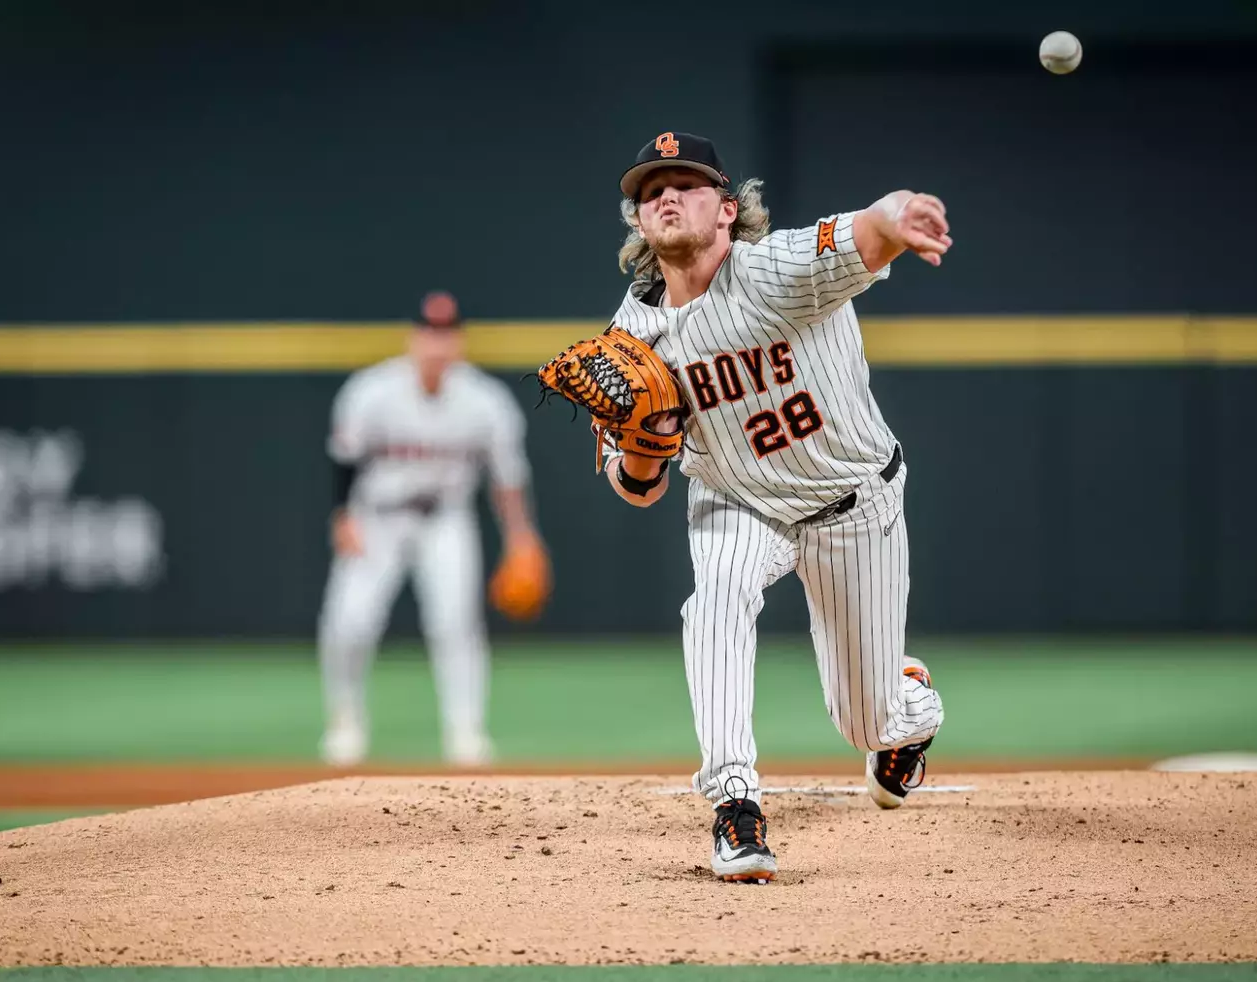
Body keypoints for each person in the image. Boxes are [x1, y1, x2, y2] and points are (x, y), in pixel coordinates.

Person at [596, 132, 951, 882]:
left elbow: (869, 226)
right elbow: (635, 487)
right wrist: (647, 447)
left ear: (727, 210)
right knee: (713, 602)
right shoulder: (627, 343)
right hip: (735, 499)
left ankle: (906, 705)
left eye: (686, 184)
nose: (665, 195)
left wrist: (902, 213)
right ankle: (734, 805)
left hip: (850, 502)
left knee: (867, 721)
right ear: (637, 223)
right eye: (650, 190)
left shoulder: (780, 269)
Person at [319, 291, 546, 767]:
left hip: (445, 520)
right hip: (376, 517)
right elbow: (343, 460)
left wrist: (521, 536)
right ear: (413, 338)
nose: (437, 344)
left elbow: (507, 481)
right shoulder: (372, 390)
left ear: (459, 342)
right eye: (429, 334)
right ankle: (345, 723)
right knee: (348, 624)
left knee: (456, 626)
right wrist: (342, 519)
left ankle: (466, 733)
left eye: (446, 335)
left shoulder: (485, 400)